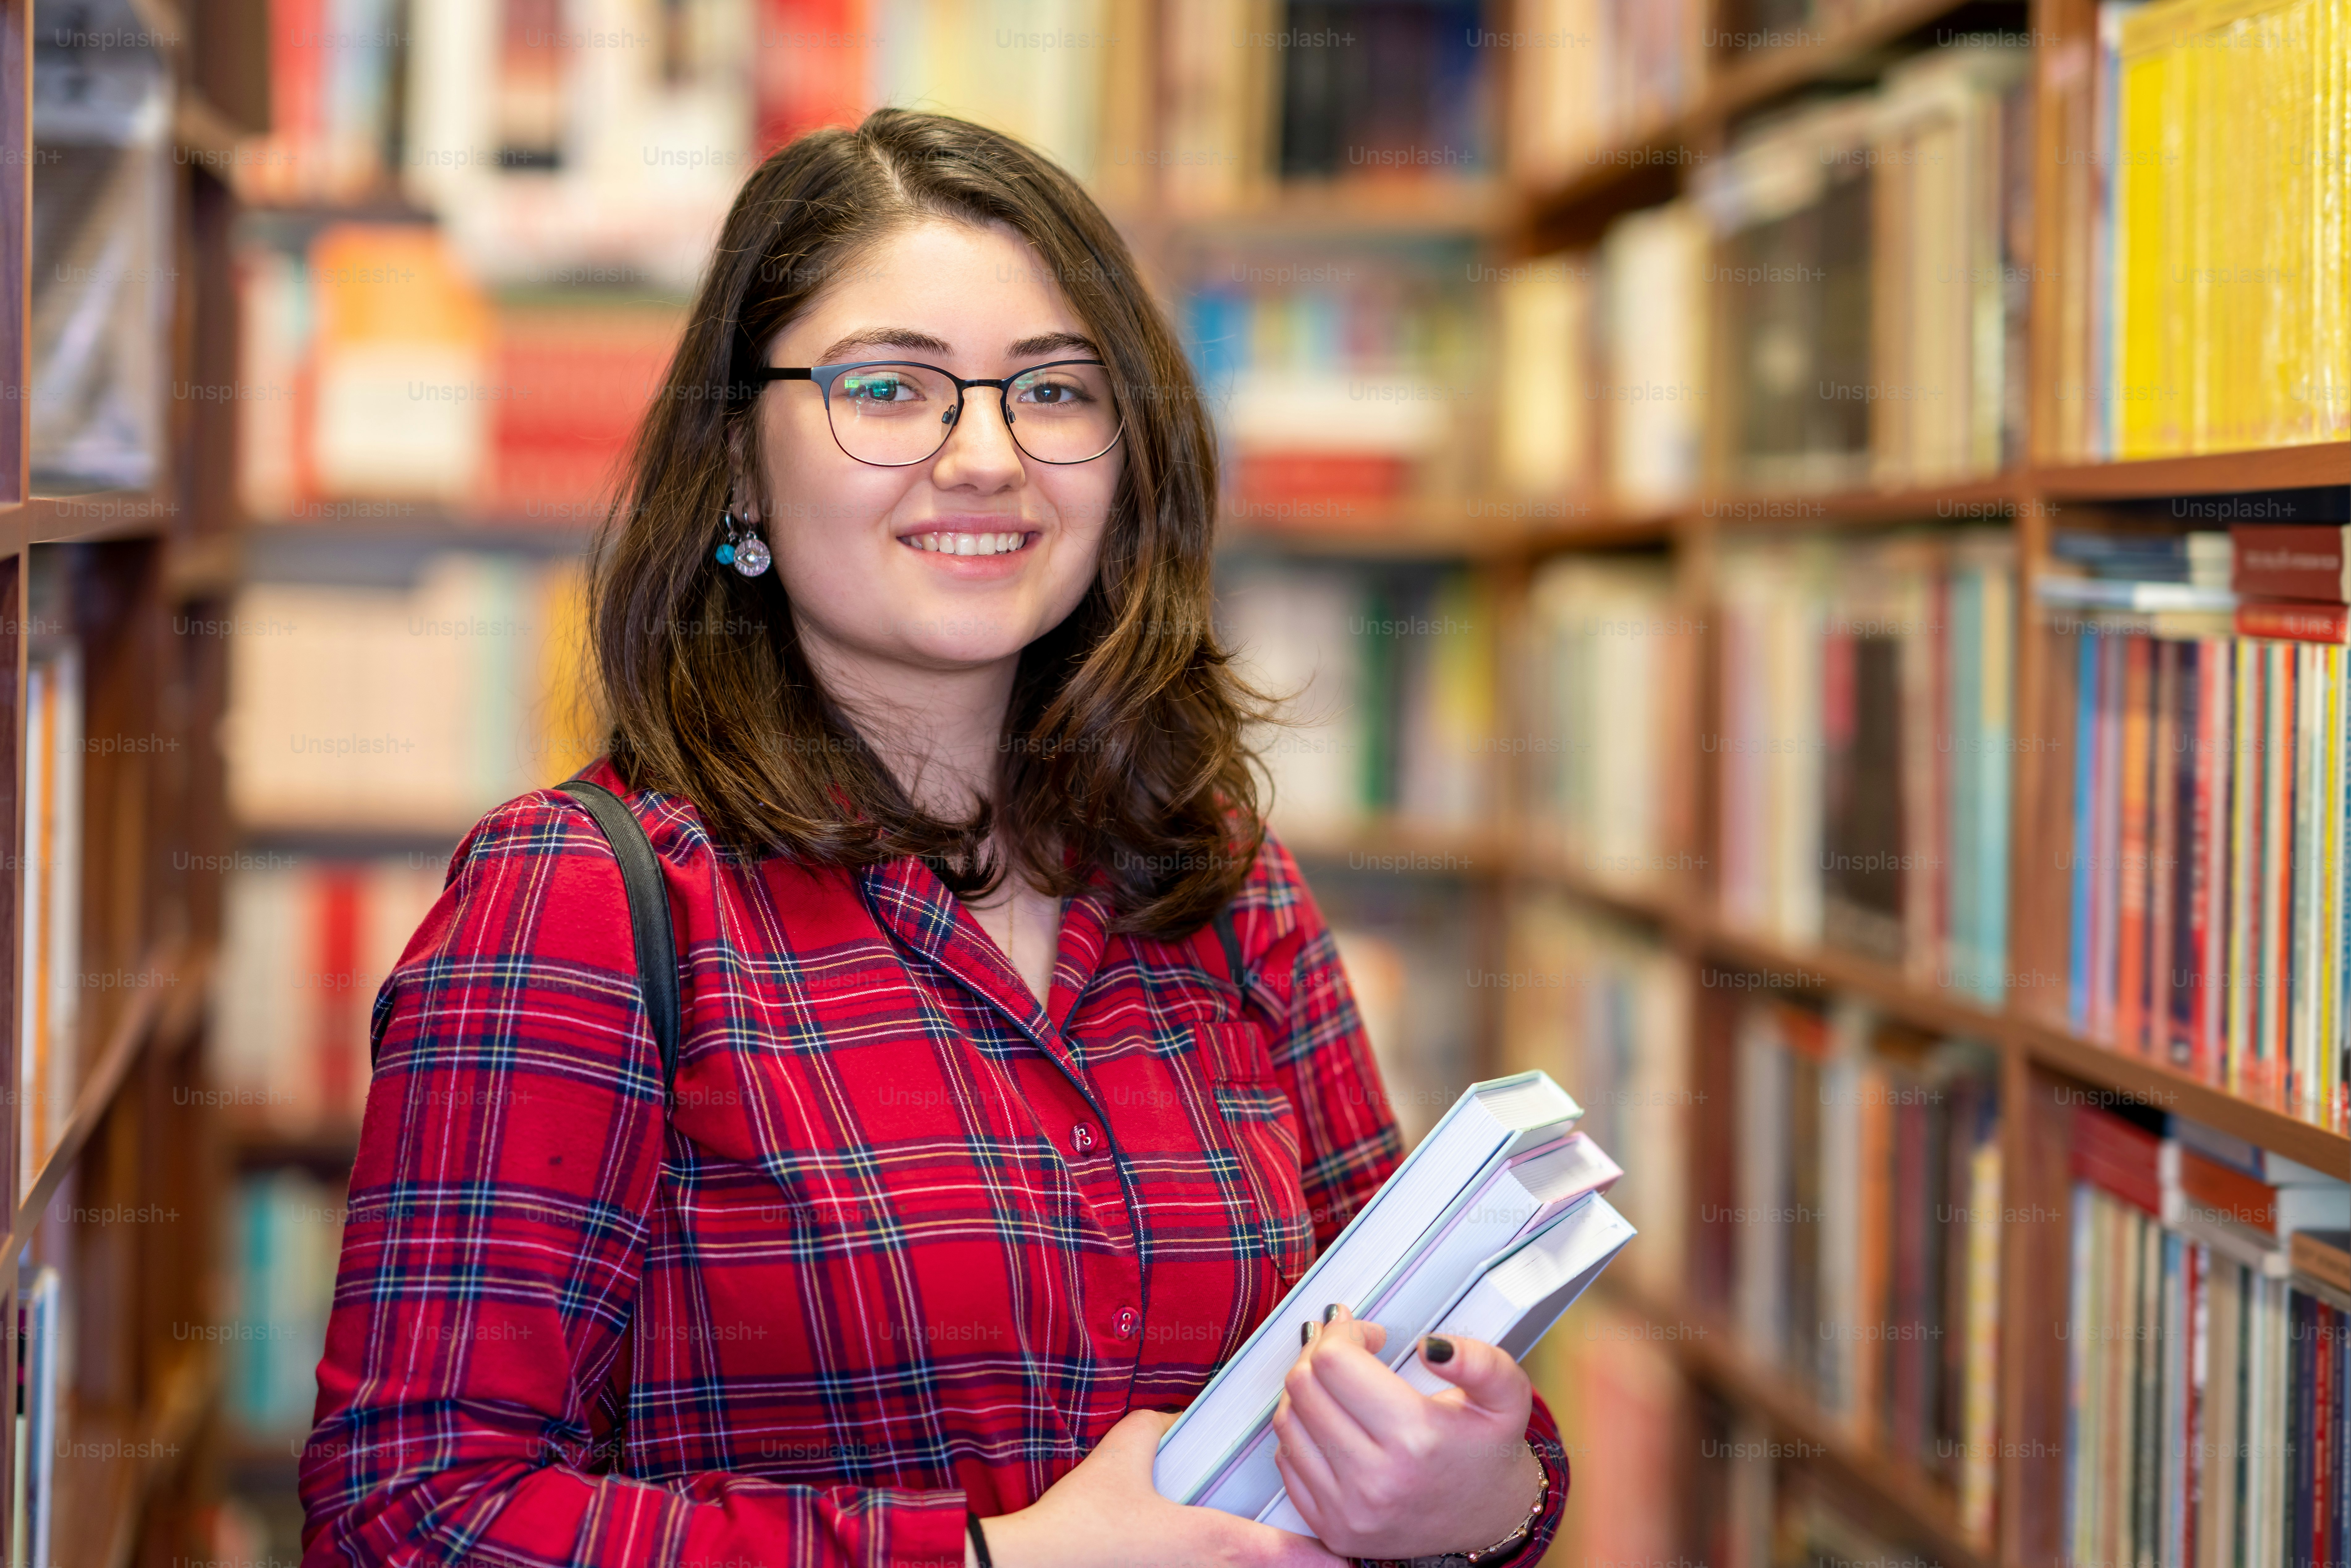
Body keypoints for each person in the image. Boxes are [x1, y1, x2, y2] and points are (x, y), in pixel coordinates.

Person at [297, 108, 1567, 1568]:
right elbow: (413, 1516)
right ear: (737, 466)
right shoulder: (583, 900)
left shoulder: (1221, 877)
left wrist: (1492, 1500)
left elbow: (1422, 1350)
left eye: (1054, 390)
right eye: (889, 388)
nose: (985, 457)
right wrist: (991, 1563)